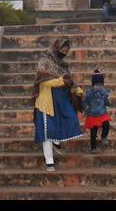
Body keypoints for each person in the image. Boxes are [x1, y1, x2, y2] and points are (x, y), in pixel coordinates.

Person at [32, 37, 84, 170]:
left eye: (66, 51)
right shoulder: (44, 61)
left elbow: (69, 81)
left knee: (71, 120)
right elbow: (43, 81)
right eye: (62, 50)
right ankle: (49, 161)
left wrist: (77, 90)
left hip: (62, 101)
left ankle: (57, 140)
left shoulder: (62, 64)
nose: (64, 53)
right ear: (56, 48)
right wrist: (61, 81)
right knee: (46, 133)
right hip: (46, 102)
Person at [83, 69, 113, 151]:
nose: (98, 86)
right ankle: (93, 148)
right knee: (93, 133)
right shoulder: (88, 92)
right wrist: (85, 106)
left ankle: (104, 137)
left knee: (106, 124)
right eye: (97, 84)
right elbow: (85, 101)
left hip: (102, 113)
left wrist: (109, 102)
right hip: (92, 115)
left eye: (100, 84)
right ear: (93, 84)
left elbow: (106, 101)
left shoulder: (104, 91)